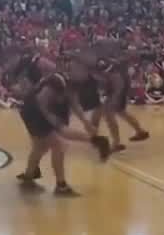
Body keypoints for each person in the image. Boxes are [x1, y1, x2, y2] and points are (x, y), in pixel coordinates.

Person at [16, 53, 109, 197]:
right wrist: (51, 118)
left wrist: (86, 123)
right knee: (58, 145)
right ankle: (61, 186)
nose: (87, 74)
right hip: (34, 111)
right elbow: (41, 100)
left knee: (41, 146)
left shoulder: (73, 83)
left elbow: (75, 104)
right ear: (74, 68)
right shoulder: (59, 80)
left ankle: (28, 177)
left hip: (34, 110)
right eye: (85, 70)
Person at [93, 53, 149, 152]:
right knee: (121, 112)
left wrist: (114, 97)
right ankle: (140, 131)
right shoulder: (102, 61)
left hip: (118, 88)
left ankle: (116, 143)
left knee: (109, 114)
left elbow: (116, 80)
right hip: (119, 88)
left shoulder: (103, 64)